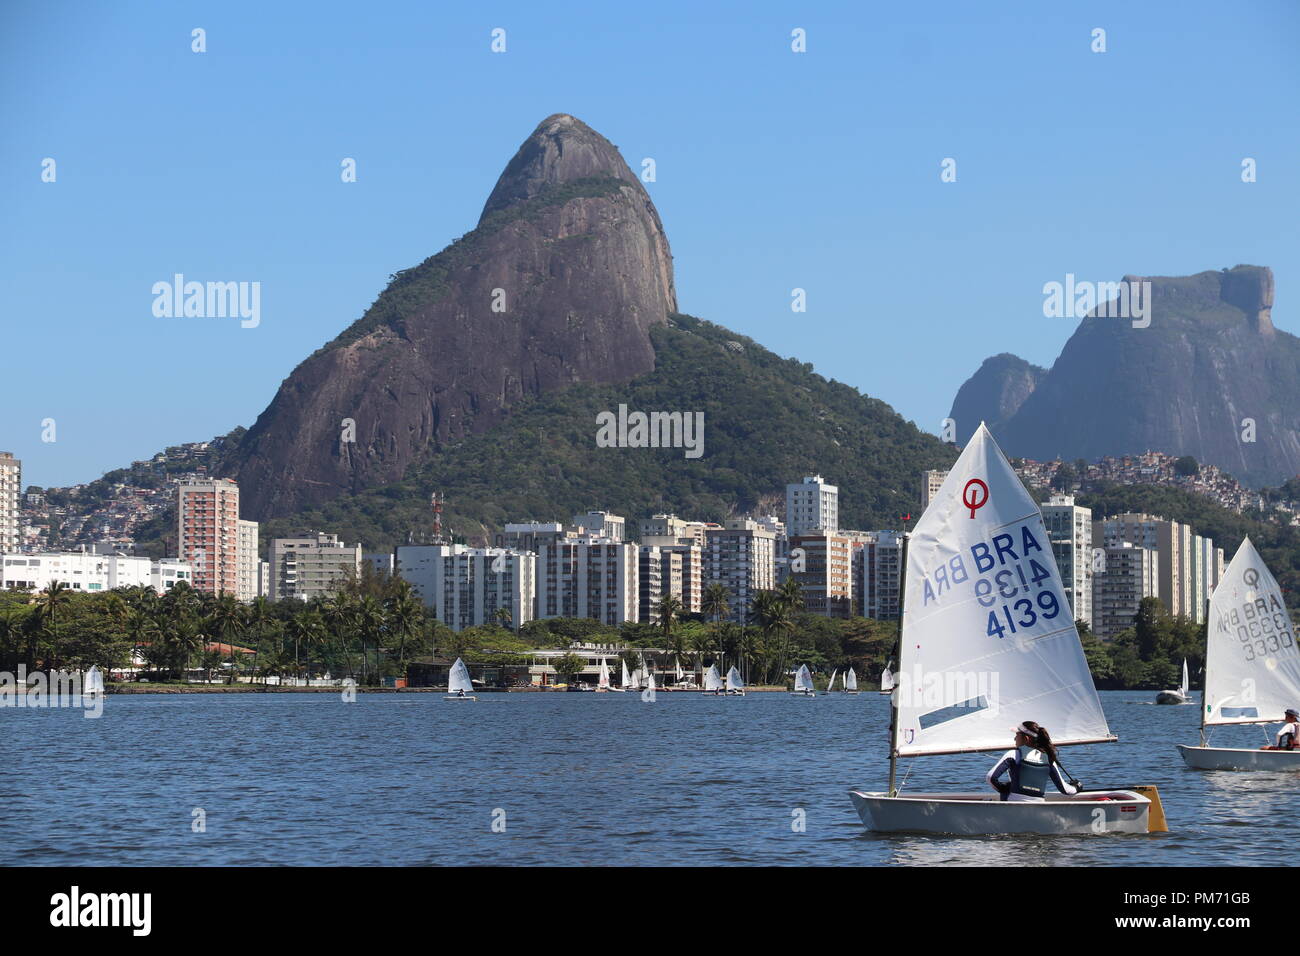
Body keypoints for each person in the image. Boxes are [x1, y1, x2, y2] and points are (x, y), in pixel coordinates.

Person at [987, 721, 1080, 802]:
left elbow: (990, 778)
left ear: (1026, 739)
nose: (1014, 739)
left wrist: (1004, 789)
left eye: (1017, 735)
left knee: (1004, 793)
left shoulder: (1013, 754)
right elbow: (1065, 790)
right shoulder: (1049, 758)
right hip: (1038, 805)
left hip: (1013, 806)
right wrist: (1077, 787)